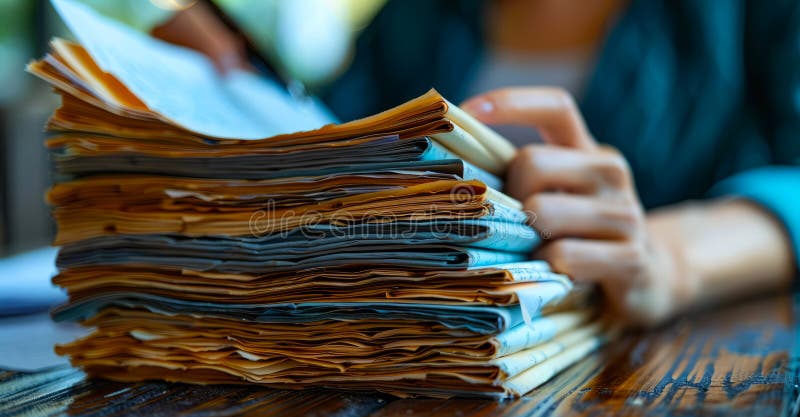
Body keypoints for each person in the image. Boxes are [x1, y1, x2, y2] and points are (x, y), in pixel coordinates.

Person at [91, 0, 799, 326]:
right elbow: (336, 149)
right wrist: (233, 87)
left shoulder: (752, 18)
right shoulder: (415, 19)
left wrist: (669, 258)